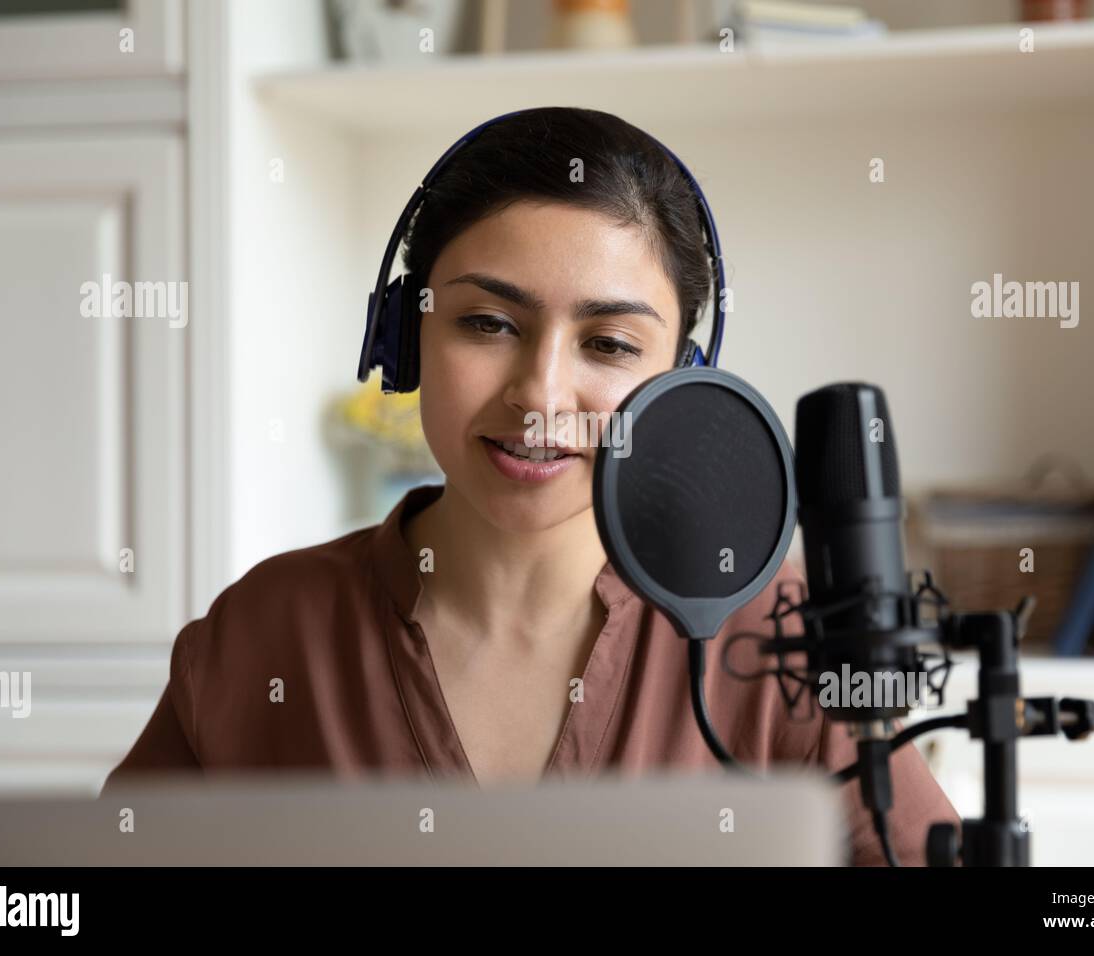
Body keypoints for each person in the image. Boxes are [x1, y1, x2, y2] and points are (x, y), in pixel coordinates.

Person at [102, 107, 959, 864]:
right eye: (486, 323)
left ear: (682, 387)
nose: (540, 395)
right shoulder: (264, 632)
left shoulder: (786, 638)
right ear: (403, 338)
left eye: (611, 344)